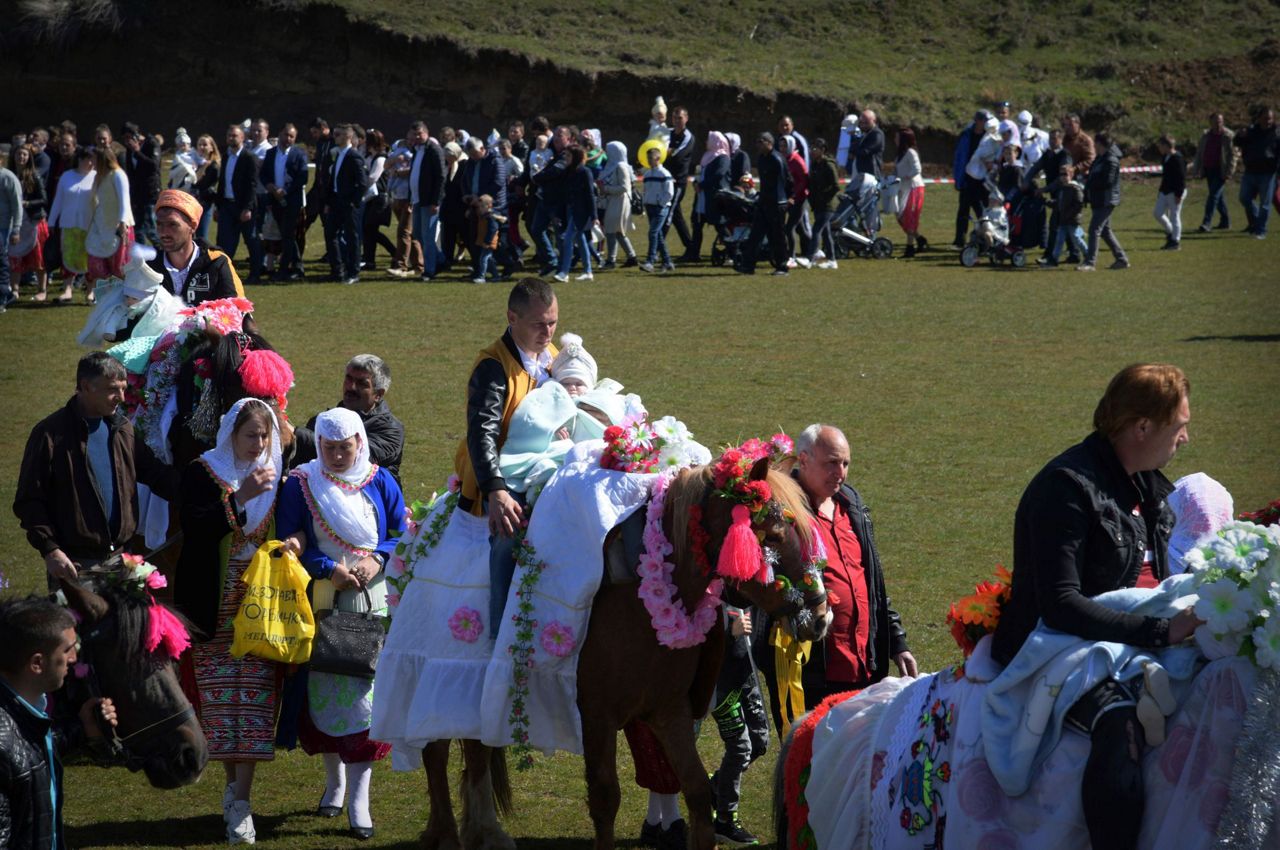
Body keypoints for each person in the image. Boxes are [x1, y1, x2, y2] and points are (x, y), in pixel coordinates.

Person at [991, 363, 1201, 850]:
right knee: (1118, 729)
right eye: (1181, 426)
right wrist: (1159, 631)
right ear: (1142, 427)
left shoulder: (1150, 487)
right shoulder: (1064, 489)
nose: (1185, 439)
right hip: (1058, 645)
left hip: (1129, 637)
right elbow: (1061, 606)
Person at [277, 408, 404, 841]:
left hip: (372, 599)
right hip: (322, 598)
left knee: (365, 690)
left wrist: (376, 559)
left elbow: (396, 530)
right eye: (327, 448)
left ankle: (359, 799)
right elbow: (290, 534)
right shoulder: (301, 483)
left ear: (359, 443)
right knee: (323, 686)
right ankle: (334, 783)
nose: (334, 455)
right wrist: (327, 567)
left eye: (343, 448)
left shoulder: (379, 479)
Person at [172, 398, 283, 845]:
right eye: (250, 436)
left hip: (260, 602)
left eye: (265, 436)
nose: (259, 445)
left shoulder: (279, 474)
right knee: (220, 702)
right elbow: (197, 527)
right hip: (213, 600)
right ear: (231, 435)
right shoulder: (205, 472)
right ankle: (232, 792)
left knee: (254, 701)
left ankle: (241, 802)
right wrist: (242, 496)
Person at [14, 352, 178, 585]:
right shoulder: (50, 434)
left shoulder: (122, 430)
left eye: (123, 388)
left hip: (124, 563)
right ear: (85, 386)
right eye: (112, 389)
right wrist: (50, 549)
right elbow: (29, 500)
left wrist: (211, 492)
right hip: (75, 566)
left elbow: (157, 475)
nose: (120, 397)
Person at [785, 424, 915, 716]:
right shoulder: (783, 515)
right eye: (831, 462)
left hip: (865, 665)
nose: (840, 472)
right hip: (815, 673)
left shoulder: (851, 506)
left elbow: (871, 584)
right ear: (803, 460)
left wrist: (897, 641)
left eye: (845, 463)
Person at [454, 277, 559, 638]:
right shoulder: (493, 366)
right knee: (508, 533)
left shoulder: (554, 358)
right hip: (505, 471)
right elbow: (480, 432)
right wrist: (496, 491)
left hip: (548, 463)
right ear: (512, 317)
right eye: (538, 324)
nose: (547, 332)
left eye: (553, 323)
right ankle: (499, 632)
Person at [0, 595, 118, 850]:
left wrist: (83, 729)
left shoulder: (26, 711)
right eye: (67, 649)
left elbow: (30, 752)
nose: (74, 658)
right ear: (37, 663)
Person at [708, 604, 770, 846]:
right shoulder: (712, 589)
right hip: (720, 684)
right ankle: (724, 820)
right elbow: (694, 634)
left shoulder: (752, 587)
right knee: (740, 748)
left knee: (760, 742)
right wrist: (729, 632)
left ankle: (717, 786)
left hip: (747, 674)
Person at [291, 355, 405, 484]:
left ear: (378, 394)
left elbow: (359, 456)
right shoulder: (321, 421)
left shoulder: (391, 430)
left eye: (362, 383)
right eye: (348, 379)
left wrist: (295, 434)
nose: (351, 387)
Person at [147, 189, 249, 310]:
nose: (164, 232)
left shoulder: (216, 262)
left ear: (193, 226)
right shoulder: (147, 265)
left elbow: (237, 311)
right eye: (159, 224)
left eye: (172, 224)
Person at [736, 132, 790, 276]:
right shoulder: (761, 159)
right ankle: (748, 265)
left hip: (777, 203)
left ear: (768, 142)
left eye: (760, 142)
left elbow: (787, 181)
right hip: (764, 202)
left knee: (777, 236)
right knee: (755, 234)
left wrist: (788, 199)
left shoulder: (777, 159)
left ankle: (782, 266)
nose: (757, 145)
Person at [46, 145, 95, 303]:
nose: (92, 163)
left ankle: (90, 291)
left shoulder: (97, 177)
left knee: (89, 258)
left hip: (89, 225)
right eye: (89, 160)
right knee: (68, 257)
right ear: (80, 160)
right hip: (68, 225)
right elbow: (58, 201)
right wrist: (51, 221)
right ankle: (67, 290)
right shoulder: (66, 176)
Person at [216, 125, 264, 284]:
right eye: (229, 135)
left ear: (243, 137)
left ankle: (255, 274)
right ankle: (223, 276)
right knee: (224, 243)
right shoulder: (226, 156)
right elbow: (222, 183)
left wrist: (248, 208)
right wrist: (218, 206)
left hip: (243, 207)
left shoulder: (249, 157)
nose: (231, 138)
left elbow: (252, 185)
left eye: (235, 135)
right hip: (227, 206)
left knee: (251, 241)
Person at [85, 145, 133, 301]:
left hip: (118, 227)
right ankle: (104, 297)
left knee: (119, 267)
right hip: (101, 226)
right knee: (98, 264)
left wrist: (123, 223)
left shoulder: (118, 175)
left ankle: (125, 296)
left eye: (93, 158)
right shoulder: (99, 177)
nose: (90, 161)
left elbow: (124, 201)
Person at [262, 123, 308, 281]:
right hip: (275, 200)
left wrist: (286, 191)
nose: (287, 138)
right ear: (279, 134)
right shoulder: (271, 153)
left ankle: (285, 269)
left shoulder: (299, 154)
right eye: (285, 135)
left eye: (291, 136)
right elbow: (264, 174)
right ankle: (296, 266)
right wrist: (269, 186)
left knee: (288, 234)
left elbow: (303, 177)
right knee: (286, 235)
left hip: (291, 201)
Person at [1079, 130, 1129, 271]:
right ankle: (1121, 259)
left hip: (1106, 200)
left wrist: (1091, 182)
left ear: (1101, 144)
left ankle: (1090, 262)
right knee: (1105, 231)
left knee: (1094, 229)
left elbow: (1108, 181)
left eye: (1095, 143)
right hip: (1098, 199)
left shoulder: (1111, 160)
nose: (1094, 145)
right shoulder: (1100, 158)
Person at [324, 124, 367, 285]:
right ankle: (337, 269)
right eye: (335, 135)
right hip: (336, 201)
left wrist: (354, 201)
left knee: (352, 237)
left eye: (338, 135)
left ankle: (353, 271)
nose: (335, 137)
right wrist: (329, 201)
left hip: (348, 203)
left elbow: (362, 183)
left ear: (348, 137)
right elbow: (333, 179)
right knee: (330, 234)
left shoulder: (353, 156)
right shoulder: (338, 155)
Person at [9, 144, 50, 301]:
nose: (21, 157)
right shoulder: (9, 175)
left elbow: (44, 199)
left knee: (39, 258)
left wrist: (27, 203)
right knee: (14, 256)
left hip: (34, 222)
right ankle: (14, 290)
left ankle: (42, 290)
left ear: (29, 158)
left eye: (25, 155)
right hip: (16, 222)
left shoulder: (34, 175)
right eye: (19, 154)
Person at [408, 121, 446, 281]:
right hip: (417, 199)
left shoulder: (434, 150)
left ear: (427, 133)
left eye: (420, 133)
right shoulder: (416, 150)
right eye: (414, 134)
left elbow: (441, 176)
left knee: (428, 237)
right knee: (417, 234)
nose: (417, 137)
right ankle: (442, 260)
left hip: (429, 201)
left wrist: (435, 201)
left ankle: (429, 271)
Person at [1233, 106, 1279, 239]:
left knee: (1265, 203)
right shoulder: (1252, 131)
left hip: (1268, 172)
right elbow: (1237, 142)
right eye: (1265, 118)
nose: (1268, 121)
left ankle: (1261, 231)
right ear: (1259, 119)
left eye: (1270, 118)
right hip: (1250, 171)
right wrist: (1240, 135)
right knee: (1244, 198)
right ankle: (1257, 220)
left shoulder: (1277, 132)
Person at [555, 144, 597, 282]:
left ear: (576, 157)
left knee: (567, 240)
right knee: (580, 238)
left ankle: (564, 272)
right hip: (571, 210)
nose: (565, 157)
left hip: (581, 212)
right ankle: (588, 272)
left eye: (568, 155)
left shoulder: (585, 172)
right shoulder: (568, 172)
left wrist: (594, 216)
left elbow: (590, 195)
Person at [952, 110, 992, 246]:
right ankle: (959, 240)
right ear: (978, 121)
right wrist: (958, 179)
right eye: (984, 121)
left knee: (982, 210)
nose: (985, 123)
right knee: (963, 210)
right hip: (967, 178)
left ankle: (986, 238)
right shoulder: (966, 135)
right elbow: (959, 158)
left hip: (982, 181)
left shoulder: (989, 137)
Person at [1191, 112, 1236, 233]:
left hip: (1221, 171)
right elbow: (1200, 152)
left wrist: (1229, 172)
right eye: (1216, 121)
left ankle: (1206, 223)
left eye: (1220, 121)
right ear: (1210, 122)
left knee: (1213, 197)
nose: (1218, 124)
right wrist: (1197, 169)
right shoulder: (1206, 135)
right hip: (1208, 169)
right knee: (1218, 197)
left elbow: (1233, 155)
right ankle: (1225, 221)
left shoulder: (1228, 136)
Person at [598, 140, 638, 269]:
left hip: (620, 202)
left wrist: (606, 189)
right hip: (613, 201)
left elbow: (624, 187)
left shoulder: (621, 167)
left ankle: (611, 260)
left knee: (612, 231)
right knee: (617, 232)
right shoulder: (612, 165)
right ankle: (631, 257)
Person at [665, 107, 698, 261]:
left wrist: (666, 153)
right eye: (674, 117)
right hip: (666, 181)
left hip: (678, 182)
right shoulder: (668, 133)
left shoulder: (688, 137)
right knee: (677, 216)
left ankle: (656, 250)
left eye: (680, 118)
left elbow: (678, 156)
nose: (676, 120)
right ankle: (692, 249)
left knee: (668, 215)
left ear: (686, 118)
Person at [1039, 163, 1087, 267]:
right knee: (1059, 240)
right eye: (1061, 174)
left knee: (1076, 238)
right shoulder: (1063, 189)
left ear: (1071, 175)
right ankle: (1053, 260)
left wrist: (1070, 215)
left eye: (1065, 174)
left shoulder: (1075, 188)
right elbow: (1059, 203)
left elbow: (1079, 205)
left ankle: (1088, 255)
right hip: (1063, 220)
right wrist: (1047, 201)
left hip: (1072, 220)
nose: (1063, 177)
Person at [121, 123, 160, 248]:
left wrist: (137, 152)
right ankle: (140, 259)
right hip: (137, 195)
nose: (127, 141)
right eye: (125, 139)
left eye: (129, 137)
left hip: (150, 194)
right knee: (138, 229)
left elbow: (154, 166)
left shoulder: (151, 143)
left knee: (151, 228)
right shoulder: (129, 149)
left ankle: (164, 253)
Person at [803, 137, 840, 268]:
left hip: (827, 205)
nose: (812, 151)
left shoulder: (828, 165)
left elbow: (836, 186)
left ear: (823, 150)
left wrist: (824, 197)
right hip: (818, 204)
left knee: (816, 229)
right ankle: (832, 260)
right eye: (811, 148)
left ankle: (809, 258)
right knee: (826, 232)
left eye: (815, 148)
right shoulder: (815, 164)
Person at [639, 143, 675, 275]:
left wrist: (661, 203)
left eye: (651, 158)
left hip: (660, 208)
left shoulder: (664, 173)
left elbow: (669, 192)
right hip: (650, 206)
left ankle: (650, 261)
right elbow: (646, 191)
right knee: (658, 235)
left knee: (653, 232)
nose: (649, 161)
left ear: (658, 159)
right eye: (648, 158)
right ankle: (667, 261)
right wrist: (645, 203)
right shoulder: (648, 174)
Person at [892, 129, 927, 258]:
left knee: (909, 216)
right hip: (903, 188)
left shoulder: (911, 153)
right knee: (899, 215)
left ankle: (909, 248)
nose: (895, 140)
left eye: (897, 138)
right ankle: (919, 239)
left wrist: (906, 176)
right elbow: (897, 170)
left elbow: (917, 168)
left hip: (914, 187)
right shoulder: (900, 155)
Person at [1153, 135, 1187, 250]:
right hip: (1165, 191)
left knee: (1174, 216)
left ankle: (1175, 241)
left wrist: (1179, 194)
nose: (1159, 148)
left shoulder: (1177, 158)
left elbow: (1181, 178)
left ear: (1166, 145)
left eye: (1160, 145)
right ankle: (1170, 231)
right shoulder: (1165, 157)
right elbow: (1165, 176)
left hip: (1175, 192)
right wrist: (1161, 191)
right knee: (1157, 213)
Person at [0, 154, 22, 311]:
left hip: (4, 227)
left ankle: (3, 297)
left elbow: (17, 205)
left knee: (1, 262)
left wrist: (16, 229)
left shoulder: (8, 178)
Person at [191, 134, 221, 243]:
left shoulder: (214, 166)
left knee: (201, 236)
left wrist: (204, 167)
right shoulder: (192, 162)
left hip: (205, 203)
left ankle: (205, 258)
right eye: (200, 144)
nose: (202, 147)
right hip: (190, 203)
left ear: (211, 148)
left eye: (205, 145)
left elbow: (198, 182)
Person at [850, 110, 885, 179]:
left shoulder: (877, 134)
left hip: (872, 174)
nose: (863, 125)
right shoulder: (863, 134)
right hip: (860, 172)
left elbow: (866, 151)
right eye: (861, 122)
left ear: (874, 121)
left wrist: (855, 152)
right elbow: (853, 148)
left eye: (866, 122)